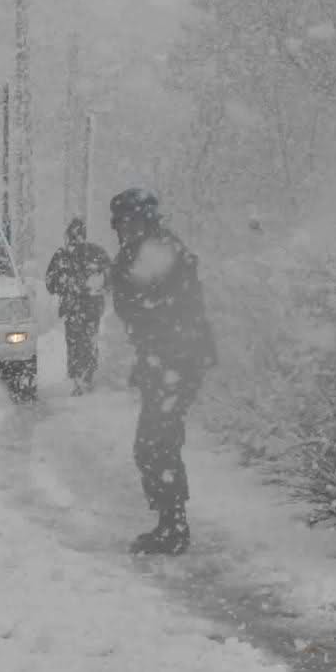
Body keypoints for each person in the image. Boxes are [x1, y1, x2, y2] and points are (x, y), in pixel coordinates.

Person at [107, 187, 217, 556]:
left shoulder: (158, 254)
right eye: (120, 223)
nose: (123, 228)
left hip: (175, 360)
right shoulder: (148, 252)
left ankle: (173, 526)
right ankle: (171, 522)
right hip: (169, 359)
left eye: (128, 221)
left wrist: (163, 358)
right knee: (156, 442)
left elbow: (167, 312)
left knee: (156, 442)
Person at [44, 216, 112, 395]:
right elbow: (110, 278)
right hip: (88, 306)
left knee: (76, 342)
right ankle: (84, 377)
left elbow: (50, 283)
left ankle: (79, 378)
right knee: (87, 341)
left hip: (77, 307)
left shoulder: (62, 256)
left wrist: (66, 284)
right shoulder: (95, 253)